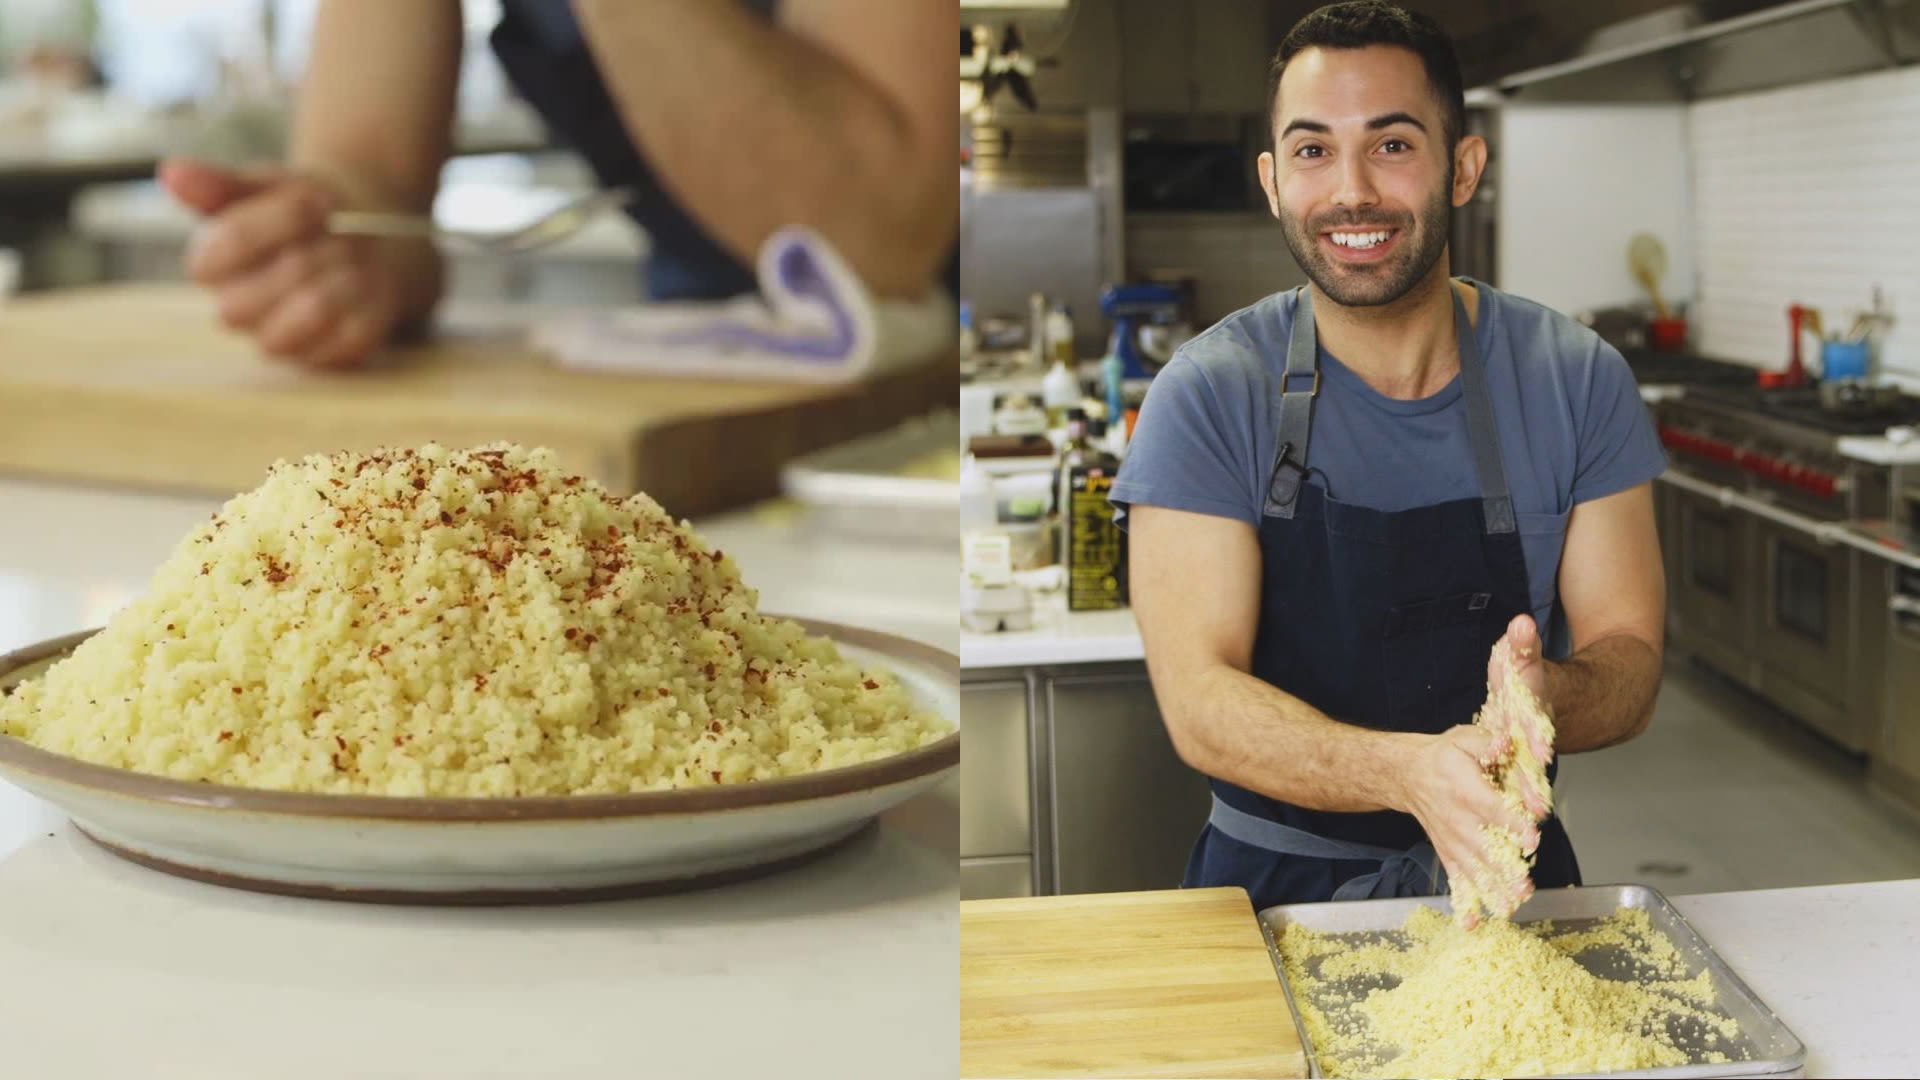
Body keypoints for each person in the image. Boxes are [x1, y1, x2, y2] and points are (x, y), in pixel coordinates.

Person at [1110, 1, 1668, 914]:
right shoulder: (1208, 393)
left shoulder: (1575, 379)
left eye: (1394, 144)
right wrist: (1408, 771)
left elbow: (1631, 664)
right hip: (1265, 897)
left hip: (1503, 891)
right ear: (1272, 179)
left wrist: (1544, 697)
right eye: (1312, 150)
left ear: (1464, 167)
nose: (1351, 191)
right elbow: (1198, 698)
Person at [157, 0, 956, 369]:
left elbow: (877, 241)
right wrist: (336, 254)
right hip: (676, 384)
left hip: (915, 419)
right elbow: (369, 185)